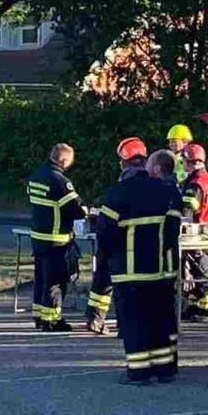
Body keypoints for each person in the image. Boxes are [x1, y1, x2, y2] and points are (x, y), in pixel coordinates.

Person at [95, 147, 183, 383]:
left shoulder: (119, 192)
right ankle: (164, 370)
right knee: (160, 320)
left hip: (128, 272)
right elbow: (173, 233)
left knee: (134, 322)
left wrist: (110, 256)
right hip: (160, 271)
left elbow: (104, 232)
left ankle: (139, 371)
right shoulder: (170, 193)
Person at [85, 137, 144, 335]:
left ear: (123, 162)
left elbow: (105, 226)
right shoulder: (156, 188)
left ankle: (96, 317)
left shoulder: (117, 191)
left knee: (105, 278)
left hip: (118, 247)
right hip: (145, 249)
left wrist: (104, 245)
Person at [25, 142, 85, 332]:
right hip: (57, 239)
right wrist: (85, 210)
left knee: (41, 279)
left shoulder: (37, 176)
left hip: (38, 238)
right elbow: (76, 208)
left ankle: (39, 316)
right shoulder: (59, 180)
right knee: (56, 281)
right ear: (64, 160)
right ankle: (51, 320)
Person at [179, 142, 208, 322]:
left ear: (189, 161)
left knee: (201, 272)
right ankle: (196, 306)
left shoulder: (195, 184)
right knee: (199, 270)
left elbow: (187, 211)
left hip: (201, 234)